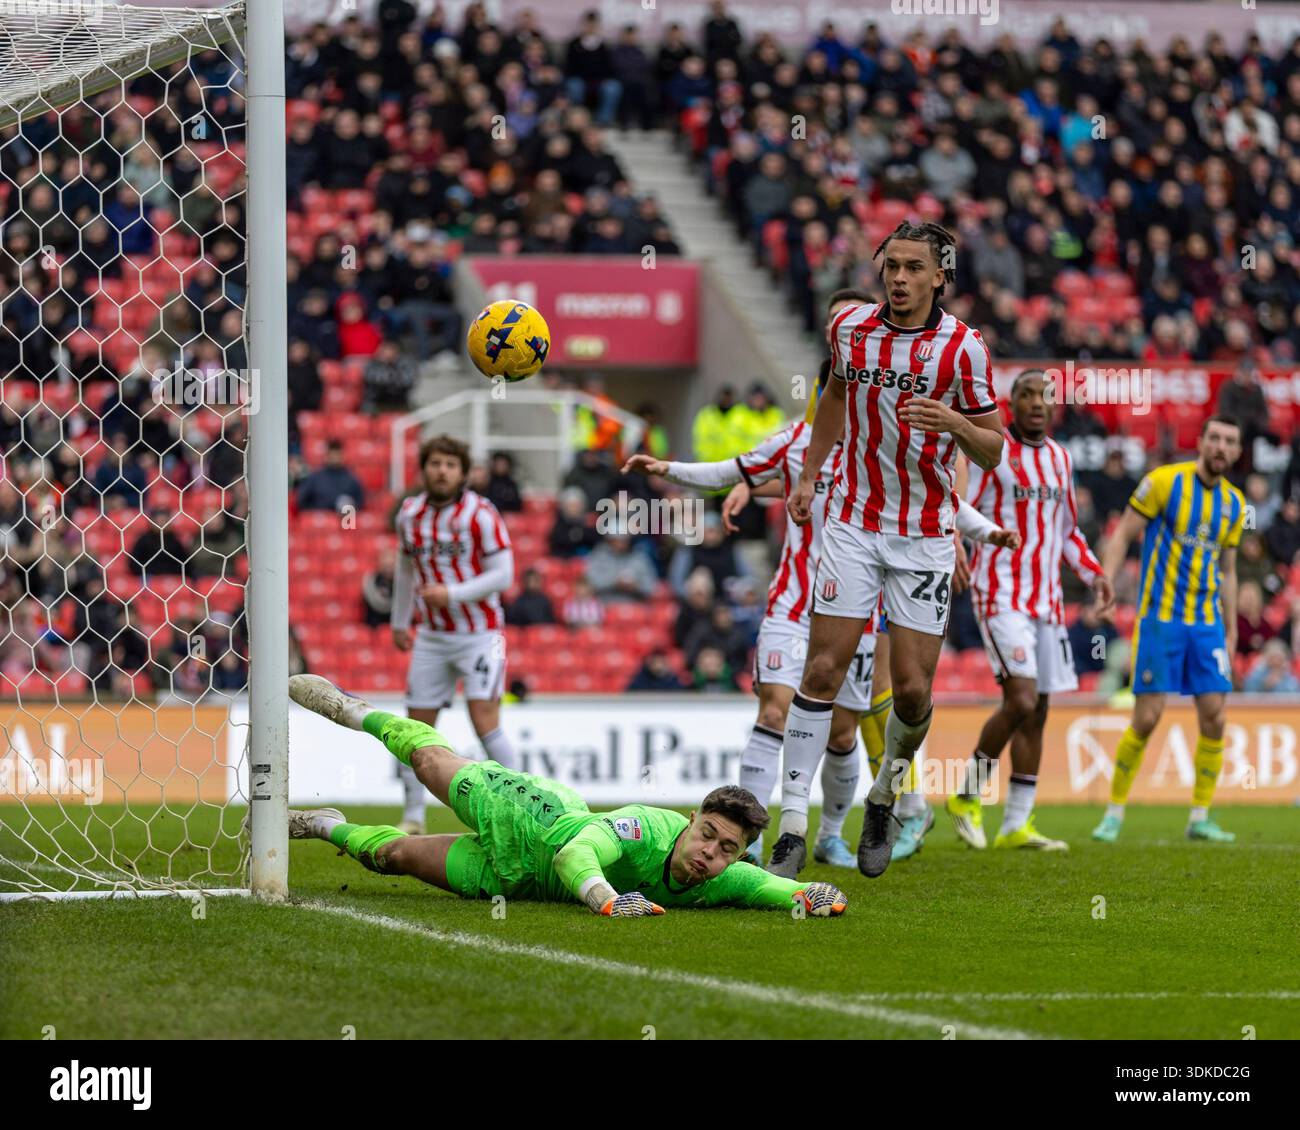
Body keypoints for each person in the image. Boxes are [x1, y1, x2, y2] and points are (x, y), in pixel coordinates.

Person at [783, 221, 1003, 879]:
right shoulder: (850, 330)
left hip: (927, 533)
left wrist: (956, 423)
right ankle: (791, 827)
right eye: (891, 266)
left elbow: (993, 446)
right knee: (822, 671)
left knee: (910, 693)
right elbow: (835, 396)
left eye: (914, 267)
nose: (900, 278)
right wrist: (807, 472)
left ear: (941, 276)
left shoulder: (964, 350)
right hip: (853, 519)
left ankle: (885, 798)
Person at [285, 675, 847, 916]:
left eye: (727, 849)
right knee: (431, 760)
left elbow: (772, 887)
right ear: (691, 817)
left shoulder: (723, 876)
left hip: (518, 879)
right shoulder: (648, 829)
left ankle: (320, 823)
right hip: (531, 818)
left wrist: (811, 894)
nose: (711, 854)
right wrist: (608, 899)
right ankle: (352, 709)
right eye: (708, 835)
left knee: (392, 858)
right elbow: (574, 855)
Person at [946, 370, 1114, 853]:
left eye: (1045, 396)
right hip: (999, 592)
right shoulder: (991, 452)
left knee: (1038, 709)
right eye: (1027, 394)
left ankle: (1016, 823)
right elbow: (957, 505)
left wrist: (1095, 575)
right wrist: (956, 541)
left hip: (1047, 600)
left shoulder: (1061, 459)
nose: (1037, 403)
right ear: (1011, 403)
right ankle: (966, 795)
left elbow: (1066, 532)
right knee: (1019, 699)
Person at [1093, 416, 1245, 844]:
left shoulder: (1234, 504)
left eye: (1229, 441)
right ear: (1201, 442)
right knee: (1147, 718)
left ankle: (1199, 817)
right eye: (1214, 438)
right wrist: (1107, 583)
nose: (1220, 446)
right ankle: (1114, 813)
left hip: (1207, 625)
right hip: (1160, 620)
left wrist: (1231, 630)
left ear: (1236, 452)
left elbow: (1229, 571)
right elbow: (1123, 534)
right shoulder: (1163, 482)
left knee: (1215, 717)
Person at [391, 435, 520, 834]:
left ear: (463, 473)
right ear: (424, 469)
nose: (441, 471)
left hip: (481, 633)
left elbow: (504, 575)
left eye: (450, 464)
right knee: (415, 728)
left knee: (485, 721)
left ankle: (521, 809)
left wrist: (453, 594)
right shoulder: (410, 514)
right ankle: (413, 816)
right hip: (432, 635)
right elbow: (405, 569)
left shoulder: (480, 514)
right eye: (435, 463)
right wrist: (400, 620)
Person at [296, 440, 365, 512]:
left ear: (342, 455)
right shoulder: (315, 478)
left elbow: (360, 502)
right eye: (332, 454)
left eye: (337, 454)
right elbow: (302, 500)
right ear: (327, 455)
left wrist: (349, 508)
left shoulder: (351, 479)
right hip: (320, 518)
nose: (335, 458)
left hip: (343, 519)